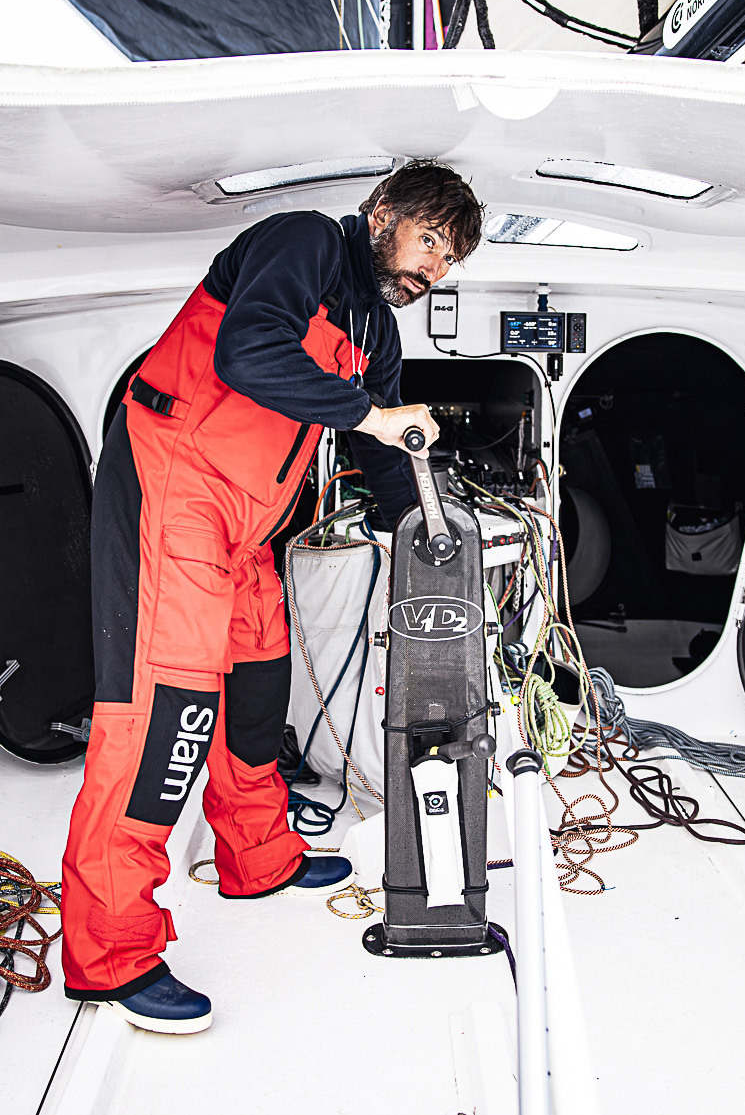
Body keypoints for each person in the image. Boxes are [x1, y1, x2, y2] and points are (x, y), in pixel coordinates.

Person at [60, 160, 486, 1033]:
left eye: (449, 261)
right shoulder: (307, 244)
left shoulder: (374, 331)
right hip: (175, 491)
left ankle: (256, 855)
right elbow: (248, 351)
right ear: (382, 213)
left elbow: (382, 452)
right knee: (163, 719)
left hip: (246, 525)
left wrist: (428, 538)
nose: (434, 269)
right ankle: (110, 953)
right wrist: (372, 416)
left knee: (259, 688)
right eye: (431, 241)